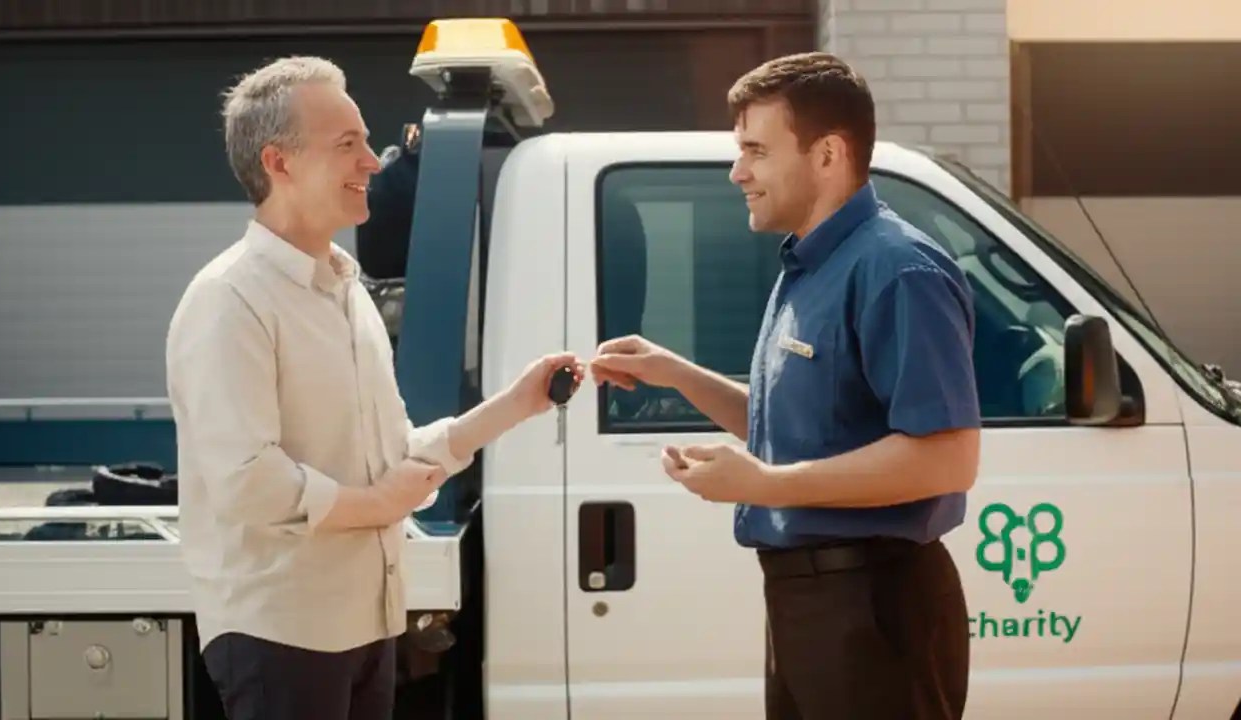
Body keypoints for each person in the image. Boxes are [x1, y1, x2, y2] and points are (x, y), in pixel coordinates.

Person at [165, 56, 581, 720]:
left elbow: (390, 459)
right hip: (283, 632)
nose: (374, 162)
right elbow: (245, 478)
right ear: (280, 162)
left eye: (364, 139)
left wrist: (516, 404)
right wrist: (373, 504)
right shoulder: (229, 299)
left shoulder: (346, 289)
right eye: (347, 144)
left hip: (364, 624)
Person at [591, 52, 980, 720]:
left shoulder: (897, 270)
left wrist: (763, 485)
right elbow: (798, 432)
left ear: (827, 154)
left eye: (756, 151)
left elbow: (947, 457)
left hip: (876, 609)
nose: (738, 172)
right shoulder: (809, 267)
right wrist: (674, 372)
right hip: (810, 608)